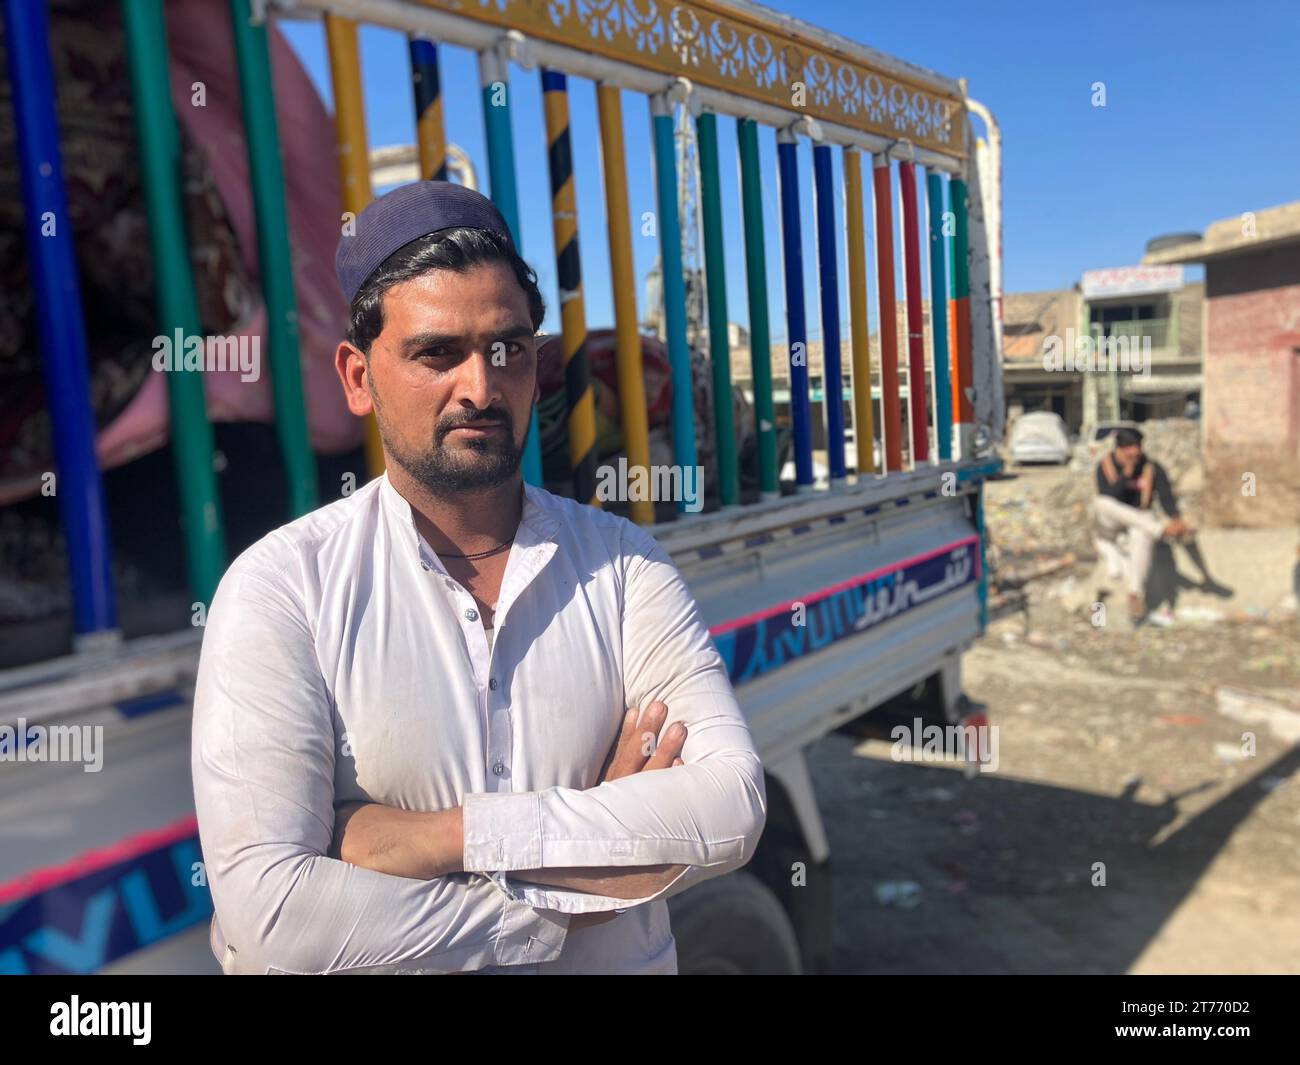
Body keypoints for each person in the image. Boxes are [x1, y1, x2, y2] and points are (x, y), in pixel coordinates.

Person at [190, 181, 766, 974]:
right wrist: (573, 876)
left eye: (508, 349)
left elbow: (730, 807)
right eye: (436, 353)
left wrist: (434, 836)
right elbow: (276, 916)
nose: (481, 387)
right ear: (358, 377)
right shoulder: (285, 588)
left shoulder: (625, 566)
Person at [1093, 426, 1216, 622]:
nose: (1135, 453)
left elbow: (1166, 496)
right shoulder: (1105, 466)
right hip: (1111, 524)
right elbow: (1112, 497)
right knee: (1101, 503)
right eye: (1129, 448)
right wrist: (1126, 474)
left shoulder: (1151, 468)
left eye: (1137, 447)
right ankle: (1159, 529)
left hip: (1138, 523)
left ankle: (1135, 594)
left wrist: (1176, 518)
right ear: (1119, 449)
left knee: (1143, 533)